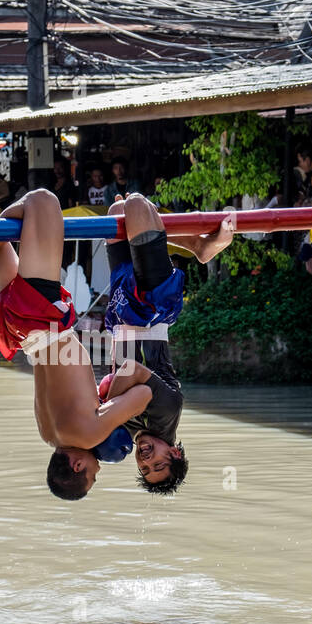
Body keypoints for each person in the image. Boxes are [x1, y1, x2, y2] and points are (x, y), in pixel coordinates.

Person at [0, 188, 155, 500]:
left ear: (76, 465)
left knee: (43, 201)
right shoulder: (48, 433)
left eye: (92, 476)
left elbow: (143, 391)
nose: (98, 470)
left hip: (43, 319)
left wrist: (110, 432)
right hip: (22, 333)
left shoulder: (88, 433)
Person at [100, 194, 235, 493]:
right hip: (150, 308)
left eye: (144, 469)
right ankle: (198, 246)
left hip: (122, 312)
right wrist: (104, 414)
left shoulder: (129, 430)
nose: (146, 460)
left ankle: (197, 245)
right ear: (175, 452)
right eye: (158, 464)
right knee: (136, 205)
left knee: (117, 212)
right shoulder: (168, 409)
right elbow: (131, 369)